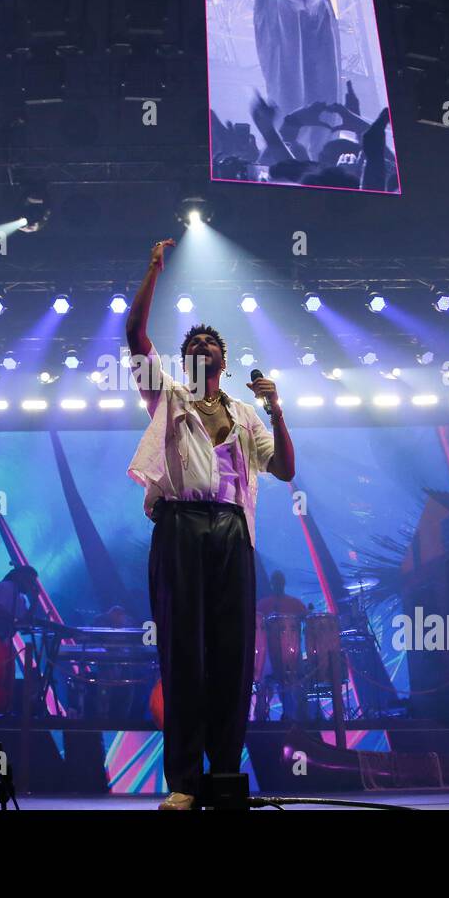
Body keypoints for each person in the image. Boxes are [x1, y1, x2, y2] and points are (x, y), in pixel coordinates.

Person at [126, 238, 297, 809]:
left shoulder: (246, 415)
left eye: (211, 342)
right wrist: (153, 270)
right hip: (179, 525)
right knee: (184, 654)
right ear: (185, 361)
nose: (202, 345)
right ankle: (184, 782)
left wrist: (277, 410)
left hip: (232, 531)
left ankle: (224, 777)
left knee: (231, 656)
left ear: (224, 360)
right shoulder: (168, 398)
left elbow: (285, 469)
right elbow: (135, 335)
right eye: (193, 342)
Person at [218, 0, 365, 157]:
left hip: (319, 4)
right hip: (280, 2)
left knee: (325, 84)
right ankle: (289, 152)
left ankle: (324, 153)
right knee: (288, 86)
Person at [0, 565, 39, 716]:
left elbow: (25, 621)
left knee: (6, 677)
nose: (31, 586)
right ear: (21, 577)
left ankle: (0, 712)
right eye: (30, 581)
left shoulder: (20, 598)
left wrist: (35, 601)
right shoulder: (5, 587)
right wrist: (15, 621)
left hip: (4, 638)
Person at [256, 571, 308, 719]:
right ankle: (261, 715)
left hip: (292, 651)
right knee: (265, 683)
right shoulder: (263, 604)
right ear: (272, 584)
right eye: (275, 582)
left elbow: (307, 618)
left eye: (279, 581)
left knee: (297, 680)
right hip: (268, 653)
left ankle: (300, 716)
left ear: (283, 583)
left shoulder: (295, 603)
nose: (277, 584)